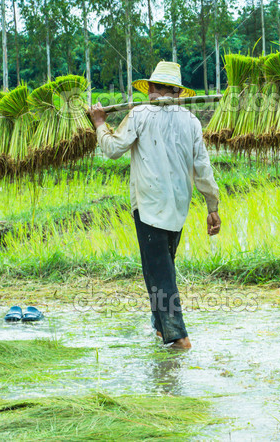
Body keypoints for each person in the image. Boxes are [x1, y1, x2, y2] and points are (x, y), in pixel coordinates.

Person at [89, 61, 221, 350]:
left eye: (154, 87)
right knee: (159, 271)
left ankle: (179, 336)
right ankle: (162, 331)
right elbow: (203, 168)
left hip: (148, 208)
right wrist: (212, 206)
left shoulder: (139, 115)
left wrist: (100, 123)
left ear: (152, 89)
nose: (152, 91)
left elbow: (112, 149)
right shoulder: (191, 121)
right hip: (177, 209)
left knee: (160, 276)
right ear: (177, 92)